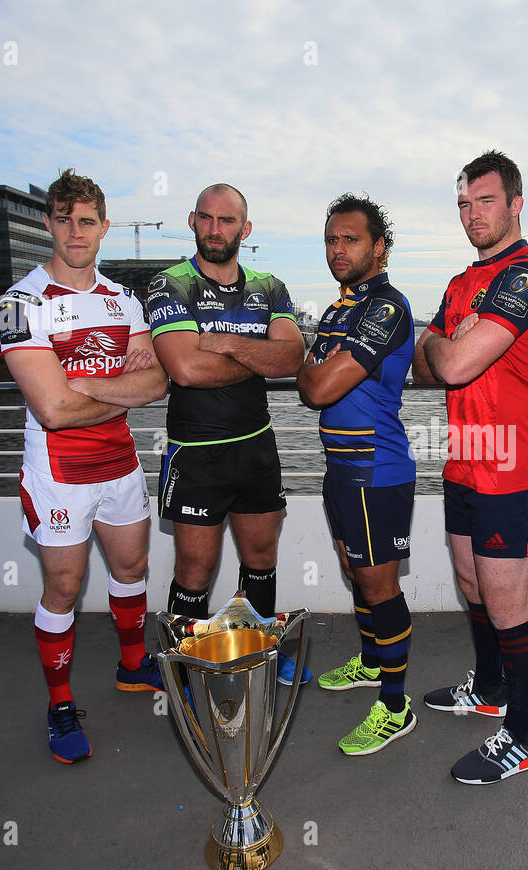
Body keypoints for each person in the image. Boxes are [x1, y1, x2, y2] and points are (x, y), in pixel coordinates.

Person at [0, 168, 169, 764]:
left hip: (120, 463)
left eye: (86, 220)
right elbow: (53, 409)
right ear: (47, 223)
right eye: (64, 219)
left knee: (133, 565)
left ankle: (131, 665)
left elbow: (156, 383)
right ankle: (61, 701)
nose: (75, 231)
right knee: (64, 586)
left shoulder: (125, 300)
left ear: (104, 228)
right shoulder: (19, 304)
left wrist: (84, 379)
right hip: (58, 471)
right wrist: (116, 384)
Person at [412, 150, 528, 784]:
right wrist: (445, 340)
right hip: (465, 460)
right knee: (471, 584)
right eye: (465, 204)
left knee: (506, 602)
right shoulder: (460, 284)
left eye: (487, 201)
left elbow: (452, 365)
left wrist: (442, 343)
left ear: (516, 203)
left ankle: (522, 736)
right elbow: (426, 364)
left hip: (513, 470)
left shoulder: (526, 277)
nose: (474, 214)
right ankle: (491, 687)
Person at [145, 184, 310, 682]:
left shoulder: (268, 285)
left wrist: (220, 341)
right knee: (195, 570)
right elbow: (186, 370)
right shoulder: (169, 283)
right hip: (195, 453)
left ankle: (259, 655)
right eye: (207, 218)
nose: (216, 229)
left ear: (246, 229)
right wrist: (254, 353)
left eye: (228, 220)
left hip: (256, 447)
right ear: (192, 221)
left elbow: (292, 356)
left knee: (261, 557)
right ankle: (183, 671)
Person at [298, 194, 416, 755]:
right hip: (338, 468)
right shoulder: (335, 311)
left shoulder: (387, 308)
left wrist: (310, 369)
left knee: (379, 585)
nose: (337, 249)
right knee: (354, 569)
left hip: (377, 470)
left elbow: (316, 387)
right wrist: (311, 369)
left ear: (379, 247)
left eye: (349, 239)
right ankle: (372, 662)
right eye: (330, 240)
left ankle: (395, 707)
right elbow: (312, 382)